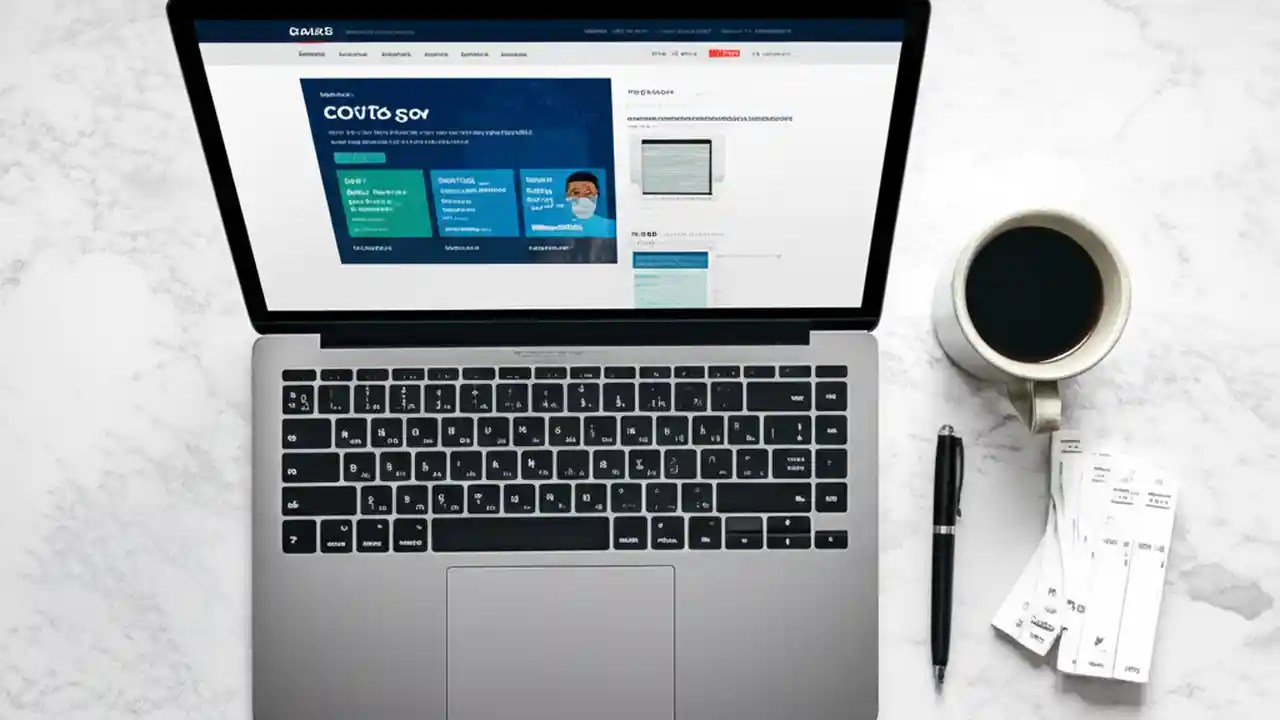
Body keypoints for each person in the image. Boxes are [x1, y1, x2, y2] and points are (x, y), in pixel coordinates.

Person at [564, 171, 615, 238]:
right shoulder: (555, 228)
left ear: (597, 195)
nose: (582, 198)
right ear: (567, 197)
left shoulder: (611, 226)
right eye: (576, 193)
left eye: (588, 192)